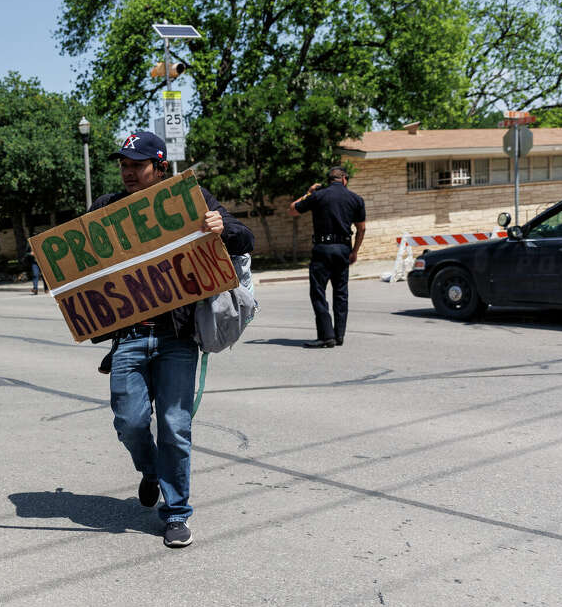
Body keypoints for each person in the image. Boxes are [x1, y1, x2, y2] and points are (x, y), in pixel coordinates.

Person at [91, 131, 254, 548]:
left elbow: (244, 237)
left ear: (160, 167)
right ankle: (151, 470)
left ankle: (177, 511)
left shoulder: (191, 199)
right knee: (129, 423)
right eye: (124, 165)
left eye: (137, 165)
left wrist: (222, 227)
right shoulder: (106, 208)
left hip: (176, 337)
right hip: (129, 337)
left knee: (175, 426)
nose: (128, 172)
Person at [288, 166, 367, 348]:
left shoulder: (317, 196)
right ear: (344, 179)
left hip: (322, 249)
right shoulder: (356, 199)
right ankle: (339, 335)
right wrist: (354, 251)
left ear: (329, 180)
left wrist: (308, 193)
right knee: (341, 293)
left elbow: (293, 210)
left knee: (318, 292)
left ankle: (326, 335)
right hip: (343, 249)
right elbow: (361, 228)